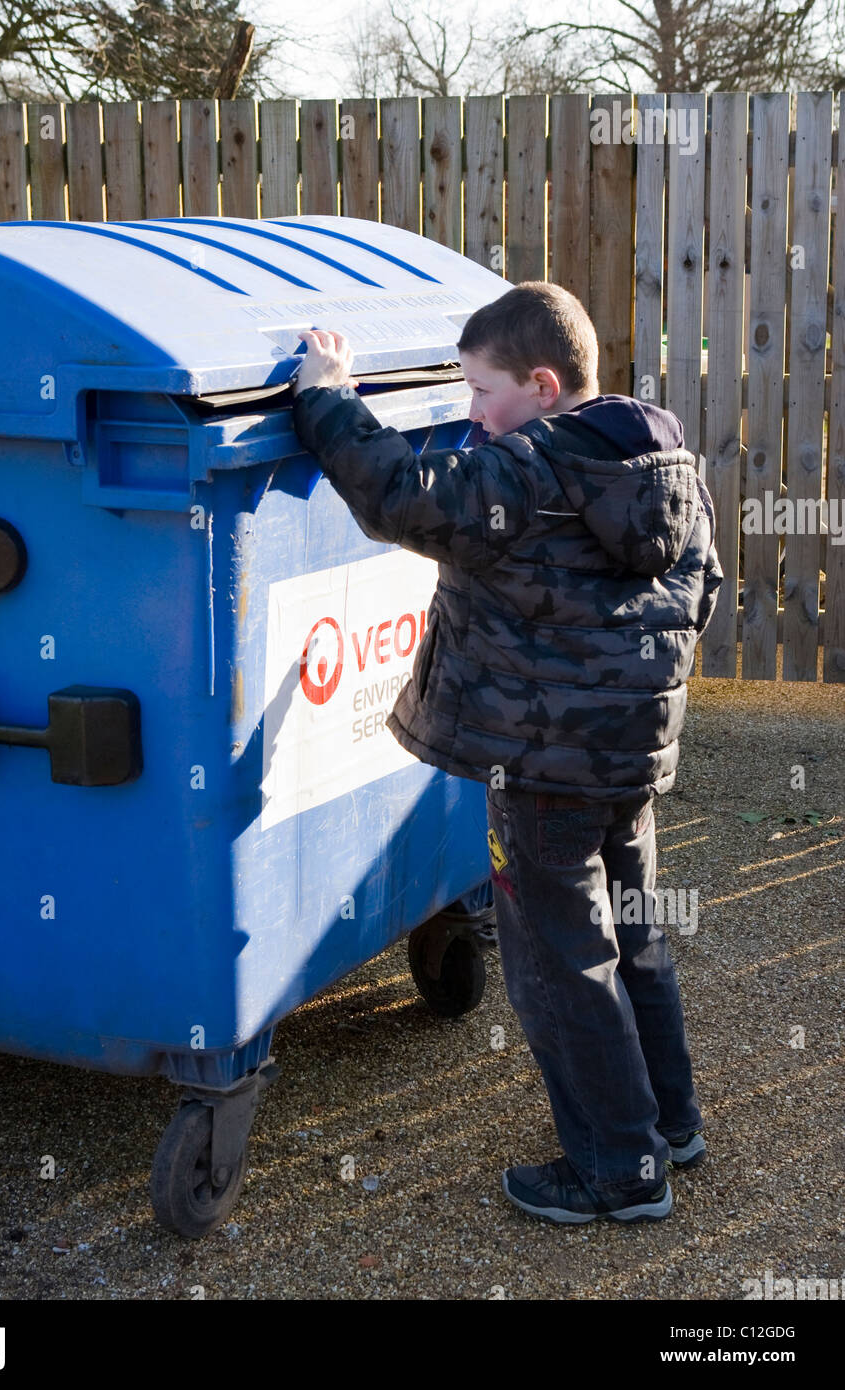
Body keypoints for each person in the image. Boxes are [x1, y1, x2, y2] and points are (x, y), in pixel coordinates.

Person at [289, 281, 723, 1224]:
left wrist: (326, 395)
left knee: (558, 964)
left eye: (479, 392)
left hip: (537, 771)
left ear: (538, 382)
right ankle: (669, 1126)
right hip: (628, 758)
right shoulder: (665, 460)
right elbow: (704, 591)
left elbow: (402, 498)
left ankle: (618, 1170)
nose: (468, 411)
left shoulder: (524, 472)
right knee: (634, 938)